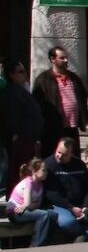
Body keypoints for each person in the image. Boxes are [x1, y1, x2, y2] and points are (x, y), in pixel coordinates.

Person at [42, 136, 88, 241]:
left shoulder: (79, 165)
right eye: (58, 152)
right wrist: (71, 208)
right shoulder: (48, 165)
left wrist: (86, 207)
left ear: (71, 154)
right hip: (61, 206)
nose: (59, 156)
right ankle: (84, 236)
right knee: (68, 222)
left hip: (81, 205)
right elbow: (51, 194)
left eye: (65, 154)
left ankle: (85, 236)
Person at [32, 46, 88, 156]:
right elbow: (37, 104)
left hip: (71, 126)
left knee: (72, 155)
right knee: (53, 156)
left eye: (66, 57)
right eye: (62, 58)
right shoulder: (44, 80)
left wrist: (83, 116)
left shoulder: (73, 78)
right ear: (52, 59)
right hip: (53, 127)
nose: (66, 60)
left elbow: (82, 98)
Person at [3, 57, 44, 191]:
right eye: (20, 72)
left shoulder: (22, 90)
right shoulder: (12, 92)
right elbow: (12, 114)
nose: (24, 74)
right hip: (21, 138)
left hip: (28, 138)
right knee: (19, 169)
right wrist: (14, 134)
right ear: (11, 75)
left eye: (24, 71)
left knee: (26, 167)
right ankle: (17, 198)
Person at [6, 158, 56, 247]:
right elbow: (27, 203)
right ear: (34, 171)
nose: (46, 173)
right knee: (43, 215)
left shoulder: (40, 185)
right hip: (15, 211)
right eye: (43, 170)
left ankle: (51, 241)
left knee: (52, 214)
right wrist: (29, 206)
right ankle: (36, 245)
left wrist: (29, 206)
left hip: (25, 210)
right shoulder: (28, 183)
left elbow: (36, 204)